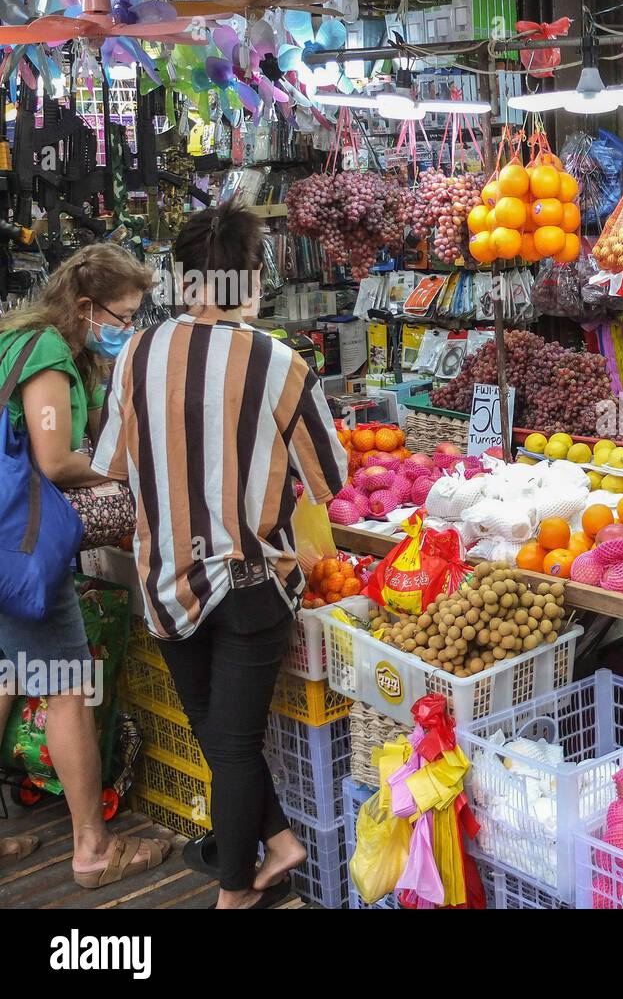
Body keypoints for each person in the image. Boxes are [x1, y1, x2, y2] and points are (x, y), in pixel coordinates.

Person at [93, 202, 348, 909]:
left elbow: (113, 461)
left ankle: (267, 855)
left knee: (217, 732)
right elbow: (332, 478)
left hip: (165, 581)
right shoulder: (279, 362)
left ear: (180, 276)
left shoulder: (138, 353)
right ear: (253, 277)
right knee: (232, 743)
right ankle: (241, 886)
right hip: (249, 583)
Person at [0, 244, 172, 886]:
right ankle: (93, 852)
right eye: (122, 316)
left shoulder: (21, 341)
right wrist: (118, 479)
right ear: (83, 306)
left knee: (5, 675)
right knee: (68, 687)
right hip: (19, 549)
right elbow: (53, 461)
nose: (126, 327)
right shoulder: (47, 351)